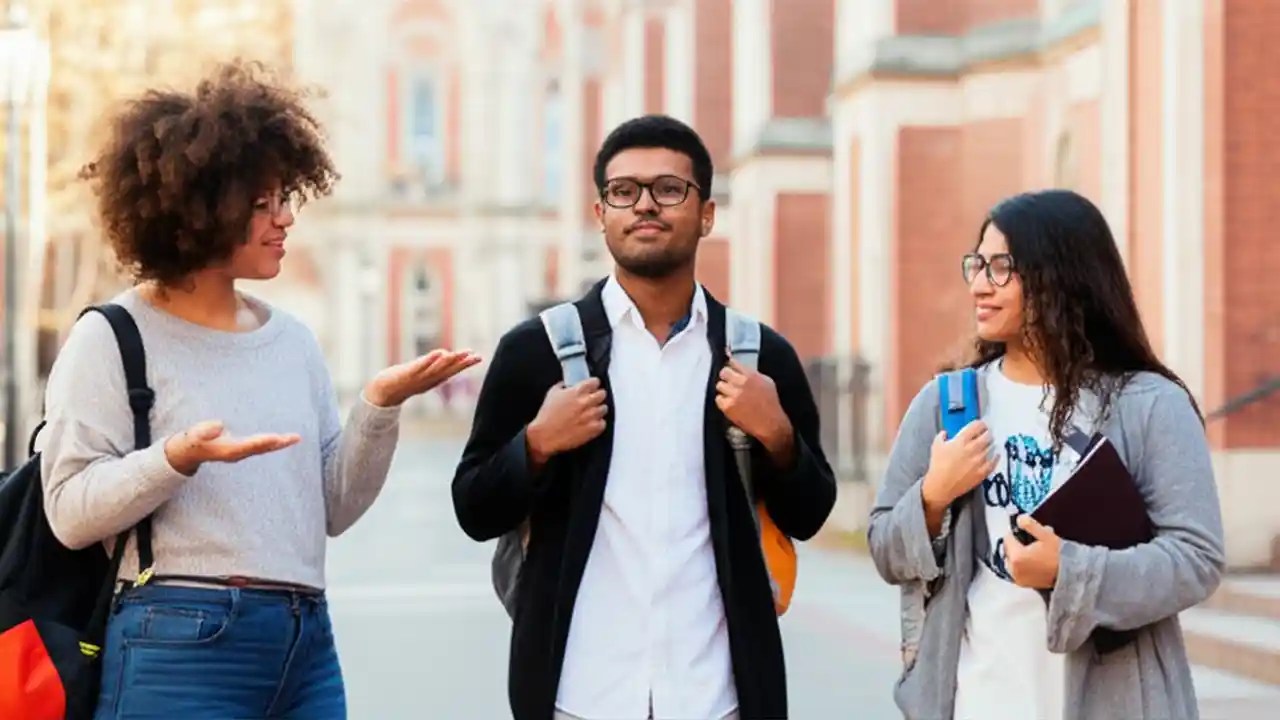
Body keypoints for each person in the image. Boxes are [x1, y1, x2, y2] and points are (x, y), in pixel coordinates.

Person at [40, 60, 480, 719]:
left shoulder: (293, 340)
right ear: (198, 210)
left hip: (305, 645)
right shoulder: (113, 338)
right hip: (177, 643)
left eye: (286, 197)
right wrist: (175, 459)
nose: (285, 220)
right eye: (261, 204)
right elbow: (70, 513)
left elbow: (332, 507)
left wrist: (379, 407)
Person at [451, 114, 837, 720]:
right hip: (578, 693)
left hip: (720, 697)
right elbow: (474, 507)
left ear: (706, 213)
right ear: (601, 212)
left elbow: (812, 513)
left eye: (668, 189)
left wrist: (778, 435)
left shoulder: (757, 356)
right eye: (624, 191)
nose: (645, 206)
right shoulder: (538, 352)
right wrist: (535, 445)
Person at [867, 189, 1225, 720]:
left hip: (1113, 702)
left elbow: (1197, 559)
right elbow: (885, 548)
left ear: (1062, 274)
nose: (978, 285)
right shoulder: (948, 405)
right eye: (976, 264)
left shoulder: (1148, 406)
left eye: (1000, 268)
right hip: (977, 700)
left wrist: (1071, 571)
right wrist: (931, 497)